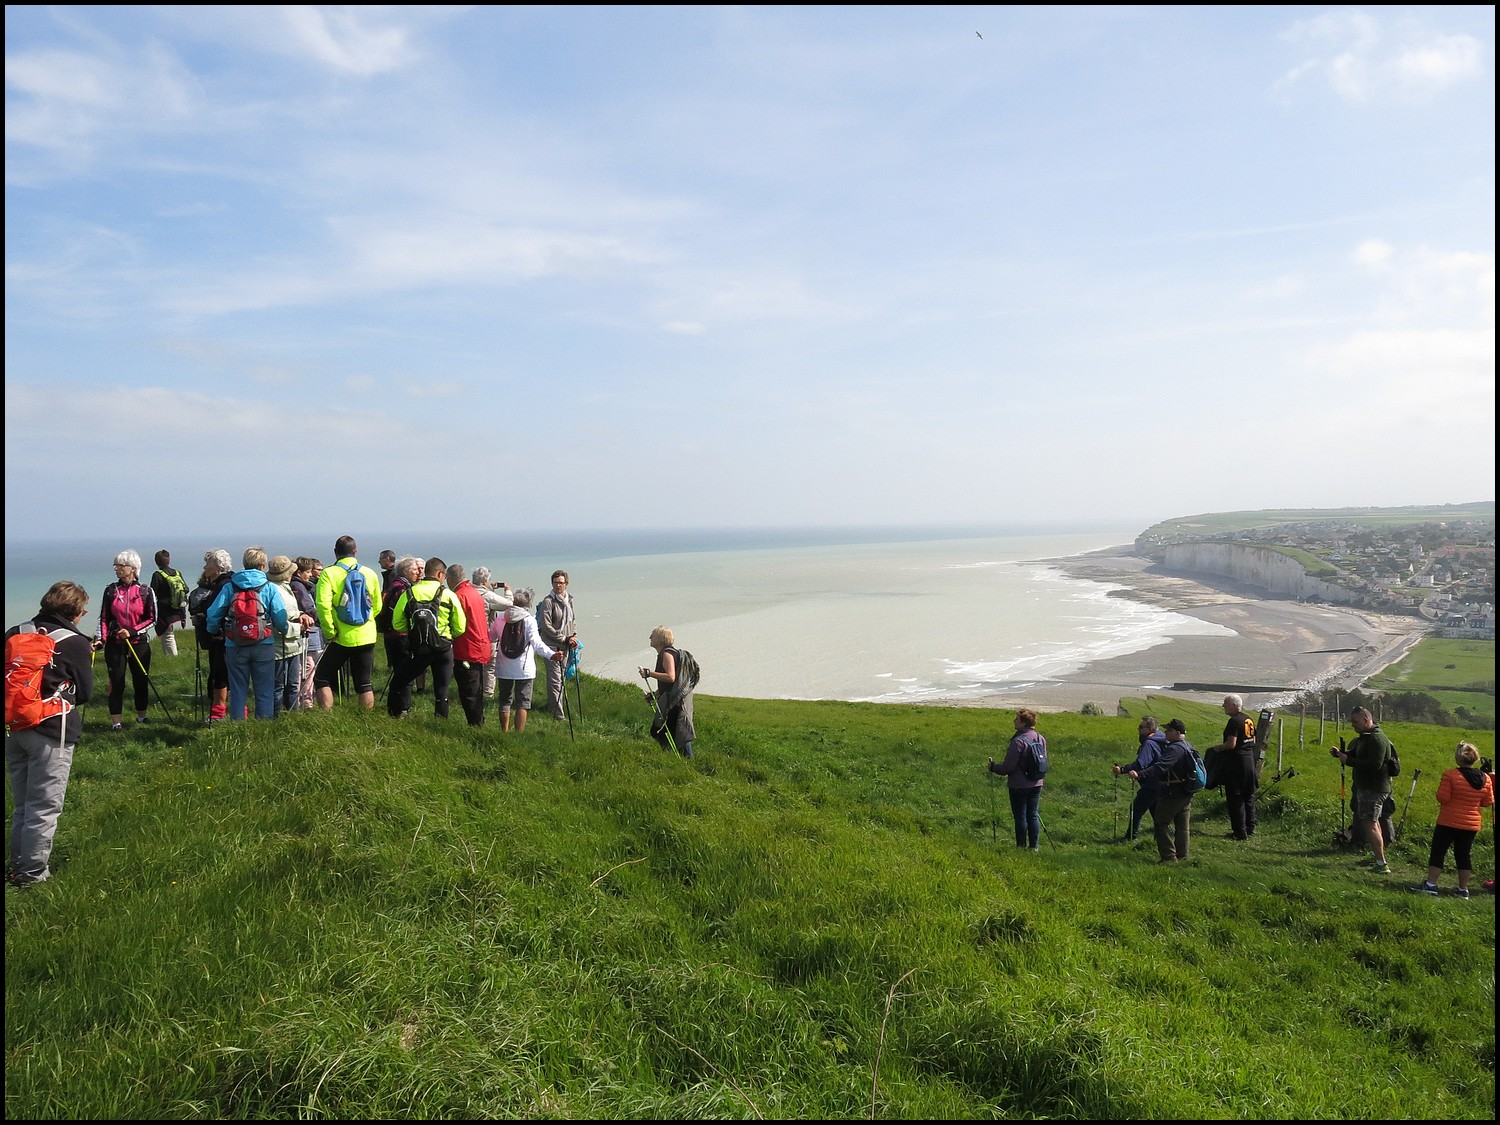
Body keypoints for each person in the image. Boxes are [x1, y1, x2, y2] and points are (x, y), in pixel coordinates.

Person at [6, 581, 95, 888]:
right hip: (51, 732)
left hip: (14, 728)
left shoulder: (15, 631)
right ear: (75, 612)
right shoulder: (75, 642)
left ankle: (17, 866)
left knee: (23, 805)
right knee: (44, 807)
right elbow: (84, 693)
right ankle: (33, 877)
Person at [205, 547, 289, 721]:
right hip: (263, 644)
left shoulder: (230, 586)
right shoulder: (269, 587)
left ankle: (238, 727)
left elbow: (213, 613)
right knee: (264, 690)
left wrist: (213, 630)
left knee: (237, 690)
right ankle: (262, 729)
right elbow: (280, 617)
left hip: (235, 645)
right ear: (261, 565)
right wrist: (284, 629)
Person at [1412, 742, 1495, 898]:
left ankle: (1431, 884)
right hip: (1471, 824)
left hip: (1448, 821)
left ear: (1458, 758)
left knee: (1438, 852)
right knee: (1463, 855)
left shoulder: (1450, 775)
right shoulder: (1486, 779)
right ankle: (1463, 889)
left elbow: (1442, 797)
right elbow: (1487, 802)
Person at [387, 557, 465, 719]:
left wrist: (413, 631)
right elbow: (460, 626)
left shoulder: (410, 592)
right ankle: (440, 722)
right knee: (441, 689)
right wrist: (448, 635)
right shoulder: (448, 594)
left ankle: (395, 714)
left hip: (419, 648)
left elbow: (397, 624)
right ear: (440, 574)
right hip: (443, 647)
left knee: (399, 681)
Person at [313, 536, 383, 710]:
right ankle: (366, 718)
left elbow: (322, 605)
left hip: (340, 637)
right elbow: (377, 605)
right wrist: (365, 621)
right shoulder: (370, 573)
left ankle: (326, 718)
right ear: (355, 551)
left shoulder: (329, 573)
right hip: (366, 635)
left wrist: (329, 631)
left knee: (321, 677)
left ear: (336, 552)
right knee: (364, 682)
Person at [98, 549, 157, 730]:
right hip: (115, 645)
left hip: (139, 644)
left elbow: (152, 618)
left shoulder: (146, 591)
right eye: (116, 565)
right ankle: (116, 723)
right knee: (116, 682)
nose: (116, 568)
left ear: (132, 568)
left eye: (120, 565)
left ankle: (141, 717)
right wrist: (100, 639)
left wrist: (132, 631)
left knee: (140, 680)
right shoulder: (110, 590)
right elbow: (104, 617)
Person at [1332, 706, 1394, 874]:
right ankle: (1378, 857)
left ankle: (1381, 864)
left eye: (1355, 722)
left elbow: (1375, 765)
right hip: (1367, 787)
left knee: (1371, 824)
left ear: (1367, 720)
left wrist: (1348, 761)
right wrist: (1342, 754)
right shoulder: (1365, 737)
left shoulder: (1376, 739)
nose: (1353, 725)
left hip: (1373, 788)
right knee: (1373, 823)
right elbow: (1360, 756)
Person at [494, 588, 564, 732]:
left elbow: (491, 637)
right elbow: (537, 644)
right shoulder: (529, 620)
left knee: (504, 700)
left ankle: (504, 732)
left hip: (503, 666)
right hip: (523, 668)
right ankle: (519, 734)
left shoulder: (501, 616)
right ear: (529, 604)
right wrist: (552, 655)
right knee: (523, 702)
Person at [1130, 718, 1197, 863]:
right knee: (1182, 826)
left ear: (1176, 733)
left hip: (1172, 792)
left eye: (1168, 730)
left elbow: (1161, 766)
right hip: (1187, 790)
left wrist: (1140, 774)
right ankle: (1182, 855)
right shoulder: (1187, 745)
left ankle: (1168, 857)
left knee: (1161, 823)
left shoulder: (1174, 748)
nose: (1165, 732)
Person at [986, 709, 1046, 850]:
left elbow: (1008, 767)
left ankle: (1020, 847)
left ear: (1023, 723)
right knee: (1033, 814)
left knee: (1020, 816)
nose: (1014, 721)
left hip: (1019, 785)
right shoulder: (1040, 738)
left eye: (1016, 719)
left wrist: (993, 767)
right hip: (1037, 783)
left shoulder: (1018, 742)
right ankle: (1034, 847)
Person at [188, 549, 233, 722]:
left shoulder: (222, 585)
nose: (205, 567)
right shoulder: (232, 582)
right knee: (233, 676)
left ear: (217, 567)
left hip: (221, 637)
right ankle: (238, 712)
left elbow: (214, 614)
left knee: (219, 676)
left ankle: (218, 715)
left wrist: (208, 627)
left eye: (208, 564)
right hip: (235, 635)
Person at [1205, 693, 1258, 840]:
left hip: (1237, 763)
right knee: (1248, 796)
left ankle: (1239, 832)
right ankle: (1250, 826)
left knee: (1235, 798)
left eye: (1225, 703)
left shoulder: (1234, 721)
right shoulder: (1248, 718)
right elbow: (1254, 739)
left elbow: (1231, 744)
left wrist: (1216, 749)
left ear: (1234, 705)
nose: (1223, 706)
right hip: (1249, 761)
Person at [446, 564, 492, 726]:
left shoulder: (459, 596)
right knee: (477, 688)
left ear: (450, 579)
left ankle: (475, 725)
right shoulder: (474, 592)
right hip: (481, 645)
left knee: (469, 690)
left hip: (467, 648)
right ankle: (479, 720)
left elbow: (456, 623)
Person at [268, 555, 311, 716]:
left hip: (291, 642)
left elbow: (288, 611)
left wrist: (300, 614)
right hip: (281, 642)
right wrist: (299, 626)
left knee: (292, 684)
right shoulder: (275, 589)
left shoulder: (283, 586)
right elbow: (279, 617)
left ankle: (291, 716)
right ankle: (278, 718)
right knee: (280, 686)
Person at [1113, 716, 1167, 843]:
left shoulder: (1149, 743)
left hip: (1151, 782)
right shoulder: (1161, 738)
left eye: (1141, 727)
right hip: (1162, 781)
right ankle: (1162, 837)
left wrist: (1122, 770)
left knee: (1136, 808)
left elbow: (1140, 764)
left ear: (1149, 729)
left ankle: (1130, 837)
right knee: (1156, 811)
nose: (1138, 729)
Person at [536, 570, 578, 721]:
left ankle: (552, 707)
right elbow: (546, 626)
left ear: (566, 584)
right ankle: (558, 715)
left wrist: (573, 637)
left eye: (561, 583)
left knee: (561, 679)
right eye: (555, 583)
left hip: (566, 644)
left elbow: (572, 621)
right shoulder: (548, 601)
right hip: (551, 645)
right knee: (555, 680)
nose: (558, 585)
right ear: (552, 584)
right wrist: (563, 638)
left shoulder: (569, 600)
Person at [470, 566, 513, 697]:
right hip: (487, 634)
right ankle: (488, 693)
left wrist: (490, 588)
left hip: (470, 634)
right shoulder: (487, 595)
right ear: (484, 582)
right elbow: (508, 604)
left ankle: (473, 690)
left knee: (473, 665)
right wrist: (508, 591)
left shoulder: (468, 592)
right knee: (489, 664)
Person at [291, 558, 322, 711]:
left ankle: (304, 699)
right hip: (308, 632)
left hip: (309, 633)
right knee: (307, 667)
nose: (310, 575)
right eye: (307, 572)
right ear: (299, 572)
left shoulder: (300, 585)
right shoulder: (298, 586)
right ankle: (305, 701)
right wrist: (323, 619)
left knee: (306, 667)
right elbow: (308, 607)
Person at [148, 549, 188, 657]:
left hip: (165, 610)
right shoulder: (177, 573)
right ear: (169, 560)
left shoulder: (157, 575)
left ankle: (172, 657)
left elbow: (152, 593)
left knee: (167, 635)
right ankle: (170, 656)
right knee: (169, 634)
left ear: (156, 562)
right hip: (178, 608)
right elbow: (186, 589)